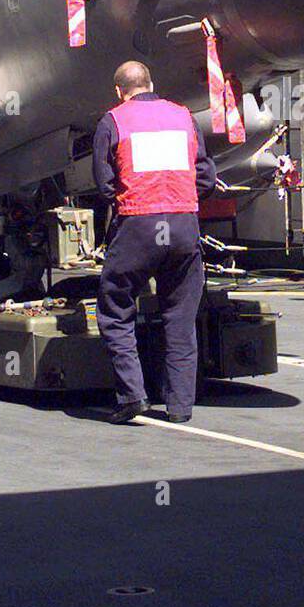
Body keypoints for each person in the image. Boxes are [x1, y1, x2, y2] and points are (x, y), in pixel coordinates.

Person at [93, 60, 217, 424]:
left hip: (136, 225)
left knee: (116, 308)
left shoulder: (112, 121)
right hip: (182, 225)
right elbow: (206, 177)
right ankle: (180, 407)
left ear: (119, 91)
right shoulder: (184, 116)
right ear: (151, 82)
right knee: (180, 318)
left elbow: (104, 185)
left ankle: (132, 395)